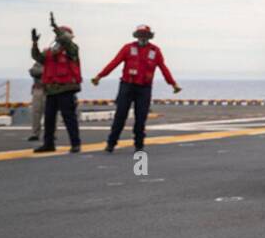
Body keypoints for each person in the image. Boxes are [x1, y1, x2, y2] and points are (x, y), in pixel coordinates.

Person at [91, 25, 181, 153]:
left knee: (141, 118)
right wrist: (99, 76)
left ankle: (139, 145)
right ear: (136, 36)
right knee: (120, 115)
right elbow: (114, 63)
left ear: (149, 36)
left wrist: (173, 84)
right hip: (127, 85)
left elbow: (163, 68)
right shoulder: (128, 48)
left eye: (145, 35)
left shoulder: (155, 51)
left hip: (144, 88)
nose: (142, 37)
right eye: (140, 34)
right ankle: (111, 143)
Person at [31, 24, 83, 154]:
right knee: (49, 119)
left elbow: (68, 43)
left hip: (66, 88)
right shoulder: (50, 51)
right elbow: (38, 58)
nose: (59, 37)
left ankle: (75, 144)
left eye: (62, 34)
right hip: (51, 90)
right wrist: (35, 43)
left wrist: (57, 30)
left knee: (69, 117)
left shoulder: (72, 49)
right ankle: (48, 144)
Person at [27, 62, 45, 142]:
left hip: (49, 90)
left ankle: (52, 133)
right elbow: (33, 71)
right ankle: (35, 133)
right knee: (36, 113)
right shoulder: (38, 64)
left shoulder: (53, 63)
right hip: (38, 89)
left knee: (50, 113)